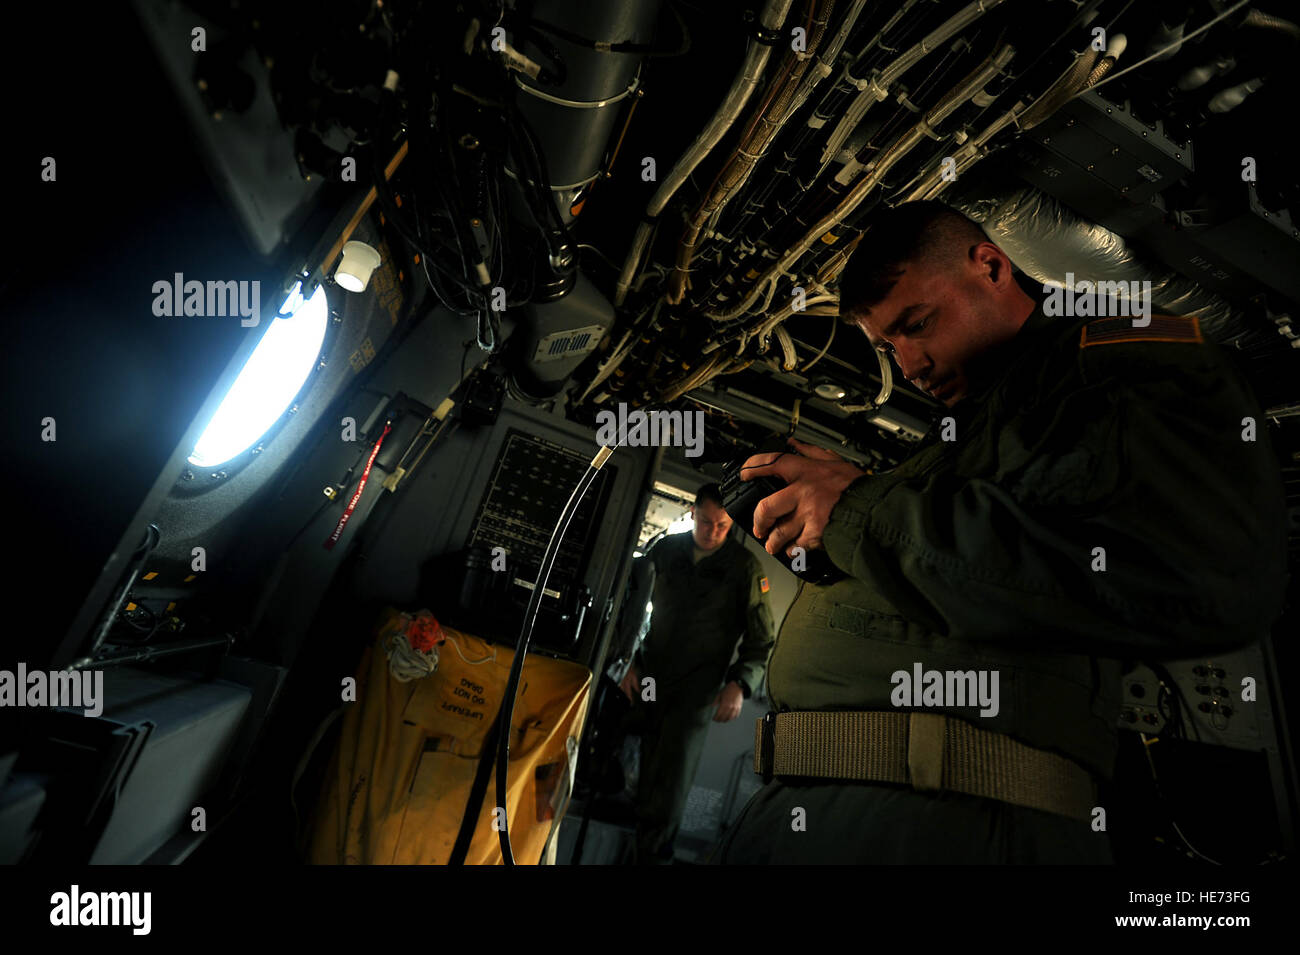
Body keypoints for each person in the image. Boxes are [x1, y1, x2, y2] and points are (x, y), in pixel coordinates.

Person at [714, 201, 1289, 864]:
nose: (908, 366)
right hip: (838, 809)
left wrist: (856, 511)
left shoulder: (1106, 366)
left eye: (917, 324)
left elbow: (1205, 574)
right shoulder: (977, 425)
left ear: (990, 265)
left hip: (942, 817)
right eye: (886, 347)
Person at [618, 483, 777, 864]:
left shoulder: (744, 569)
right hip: (648, 678)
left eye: (722, 525)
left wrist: (739, 685)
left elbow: (761, 638)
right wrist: (625, 661)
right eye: (706, 522)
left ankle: (652, 858)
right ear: (692, 513)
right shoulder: (665, 551)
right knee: (620, 764)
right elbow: (630, 605)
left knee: (670, 785)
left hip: (696, 691)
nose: (713, 532)